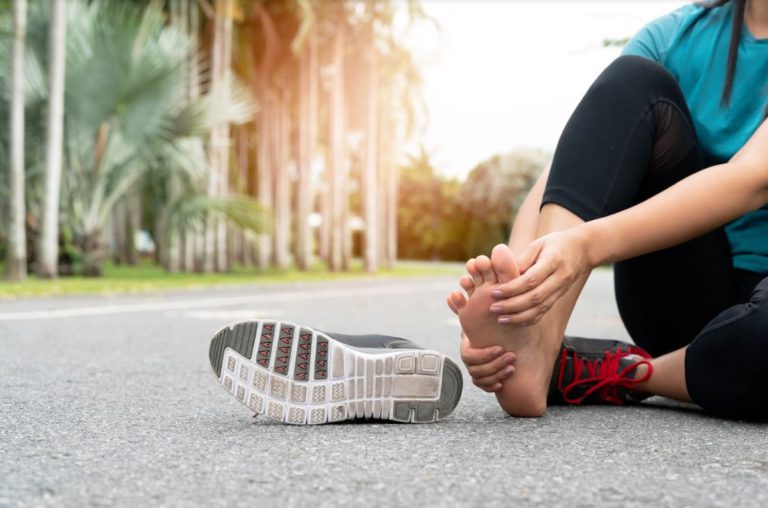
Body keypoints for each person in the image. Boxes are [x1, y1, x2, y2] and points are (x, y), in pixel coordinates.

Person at [448, 0, 768, 419]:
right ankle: (538, 348)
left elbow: (753, 178)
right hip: (681, 298)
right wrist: (514, 304)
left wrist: (585, 245)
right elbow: (577, 162)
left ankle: (631, 373)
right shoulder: (674, 36)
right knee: (631, 80)